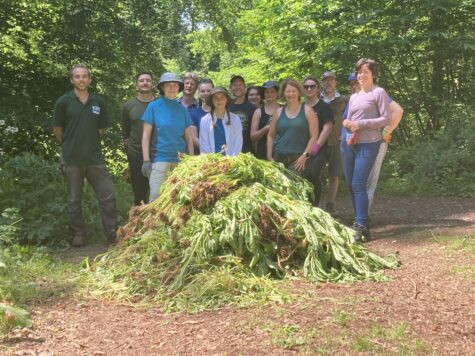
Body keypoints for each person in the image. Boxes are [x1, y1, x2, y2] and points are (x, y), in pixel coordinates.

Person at [53, 64, 118, 247]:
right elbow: (58, 129)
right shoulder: (63, 102)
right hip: (71, 159)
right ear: (71, 79)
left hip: (94, 158)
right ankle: (79, 234)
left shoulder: (98, 102)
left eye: (84, 76)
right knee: (74, 199)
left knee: (108, 196)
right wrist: (68, 145)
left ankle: (112, 234)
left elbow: (101, 128)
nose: (81, 80)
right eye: (77, 77)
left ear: (89, 79)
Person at [341, 58, 391, 242]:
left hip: (370, 143)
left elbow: (386, 119)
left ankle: (360, 225)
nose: (361, 75)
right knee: (350, 185)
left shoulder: (378, 93)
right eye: (359, 72)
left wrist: (361, 124)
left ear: (373, 74)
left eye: (366, 72)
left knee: (358, 184)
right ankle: (360, 221)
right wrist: (346, 122)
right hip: (350, 143)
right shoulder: (354, 96)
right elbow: (348, 119)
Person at [141, 72, 194, 202]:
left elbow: (189, 138)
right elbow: (146, 136)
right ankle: (152, 223)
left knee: (177, 200)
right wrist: (146, 160)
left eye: (175, 85)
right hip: (160, 160)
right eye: (168, 85)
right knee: (155, 197)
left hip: (181, 161)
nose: (172, 87)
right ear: (162, 88)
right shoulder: (153, 106)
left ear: (178, 88)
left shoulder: (182, 109)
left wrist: (192, 161)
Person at [267, 79, 318, 202]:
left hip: (298, 158)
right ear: (283, 94)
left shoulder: (308, 111)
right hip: (279, 157)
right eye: (288, 91)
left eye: (293, 91)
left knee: (295, 191)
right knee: (280, 191)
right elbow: (270, 135)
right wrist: (269, 156)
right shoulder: (278, 112)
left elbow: (314, 136)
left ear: (299, 92)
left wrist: (305, 155)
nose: (291, 94)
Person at [121, 71, 155, 205]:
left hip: (158, 154)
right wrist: (129, 152)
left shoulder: (160, 104)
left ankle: (158, 222)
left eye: (148, 80)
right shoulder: (128, 106)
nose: (145, 83)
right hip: (136, 155)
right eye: (141, 81)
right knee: (140, 195)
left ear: (152, 84)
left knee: (158, 192)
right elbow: (126, 133)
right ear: (137, 84)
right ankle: (139, 222)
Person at [366, 96, 404, 209]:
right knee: (359, 181)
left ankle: (362, 216)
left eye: (355, 82)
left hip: (376, 142)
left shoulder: (377, 93)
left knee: (369, 180)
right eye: (351, 83)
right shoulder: (354, 98)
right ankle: (360, 214)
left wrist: (384, 133)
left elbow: (398, 111)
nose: (354, 85)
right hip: (358, 143)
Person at [321, 71, 349, 216]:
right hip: (317, 144)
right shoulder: (314, 99)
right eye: (326, 80)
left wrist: (345, 135)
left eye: (331, 80)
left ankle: (330, 205)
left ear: (336, 82)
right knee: (314, 173)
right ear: (322, 83)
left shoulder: (344, 100)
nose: (329, 83)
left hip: (337, 142)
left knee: (334, 174)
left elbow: (352, 116)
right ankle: (314, 203)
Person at [303, 76, 334, 206]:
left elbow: (328, 127)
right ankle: (305, 204)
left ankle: (315, 205)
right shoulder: (300, 107)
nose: (309, 89)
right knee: (303, 176)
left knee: (313, 174)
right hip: (302, 147)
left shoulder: (324, 107)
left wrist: (317, 145)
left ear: (317, 89)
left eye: (312, 86)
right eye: (306, 87)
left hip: (318, 149)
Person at [199, 86, 243, 156]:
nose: (219, 100)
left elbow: (238, 143)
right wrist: (212, 162)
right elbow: (204, 145)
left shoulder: (235, 119)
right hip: (211, 163)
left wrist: (232, 162)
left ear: (227, 99)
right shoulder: (205, 120)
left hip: (232, 161)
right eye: (216, 98)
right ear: (212, 101)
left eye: (222, 97)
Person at [250, 81, 280, 160]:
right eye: (267, 92)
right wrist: (265, 129)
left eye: (272, 92)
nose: (270, 94)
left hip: (281, 150)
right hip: (263, 152)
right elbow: (253, 137)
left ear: (277, 93)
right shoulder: (258, 112)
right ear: (263, 94)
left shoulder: (284, 109)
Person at [178, 72, 207, 152]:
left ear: (196, 88)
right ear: (182, 85)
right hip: (175, 151)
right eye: (186, 83)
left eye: (192, 84)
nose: (189, 86)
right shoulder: (174, 105)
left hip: (197, 152)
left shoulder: (200, 107)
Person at [229, 75, 256, 154]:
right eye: (235, 85)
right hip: (230, 149)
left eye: (240, 85)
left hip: (248, 149)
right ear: (230, 87)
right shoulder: (226, 106)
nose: (238, 87)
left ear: (244, 87)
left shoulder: (252, 108)